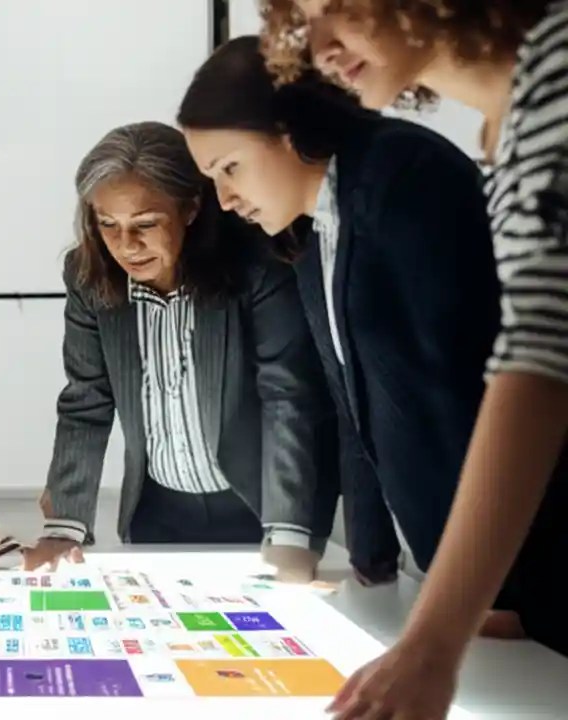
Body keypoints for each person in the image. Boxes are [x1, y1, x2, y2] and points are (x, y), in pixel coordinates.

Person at [260, 1, 568, 716]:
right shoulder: (512, 120)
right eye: (305, 24)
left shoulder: (553, 68)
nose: (323, 46)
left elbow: (538, 365)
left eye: (335, 7)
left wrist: (432, 646)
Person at [180, 35, 503, 594]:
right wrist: (371, 560)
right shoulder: (309, 237)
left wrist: (483, 582)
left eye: (230, 167)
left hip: (500, 570)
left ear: (287, 129)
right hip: (427, 566)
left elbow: (472, 392)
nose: (226, 200)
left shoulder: (404, 175)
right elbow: (356, 408)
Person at [21, 122, 336, 582]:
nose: (126, 246)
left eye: (145, 224)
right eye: (107, 225)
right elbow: (85, 400)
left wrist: (290, 534)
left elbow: (287, 397)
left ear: (190, 208)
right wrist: (64, 524)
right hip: (157, 509)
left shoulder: (255, 266)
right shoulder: (88, 276)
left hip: (258, 505)